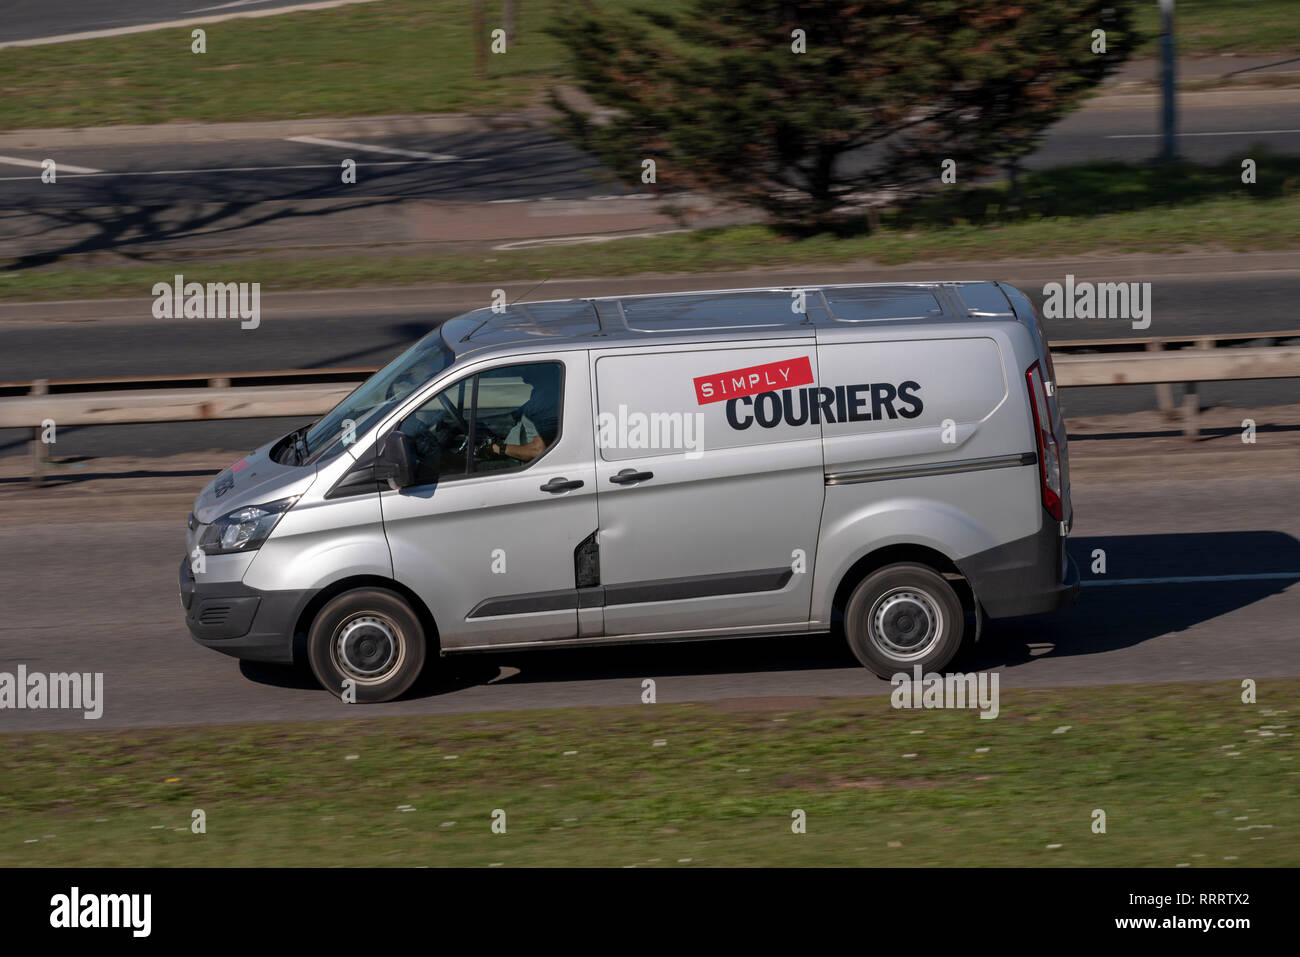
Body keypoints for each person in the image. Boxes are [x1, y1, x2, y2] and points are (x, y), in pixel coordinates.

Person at [489, 364, 560, 464]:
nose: (521, 370)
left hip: (523, 466)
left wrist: (499, 449)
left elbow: (538, 451)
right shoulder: (542, 394)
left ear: (539, 369)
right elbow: (516, 418)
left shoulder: (545, 400)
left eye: (526, 367)